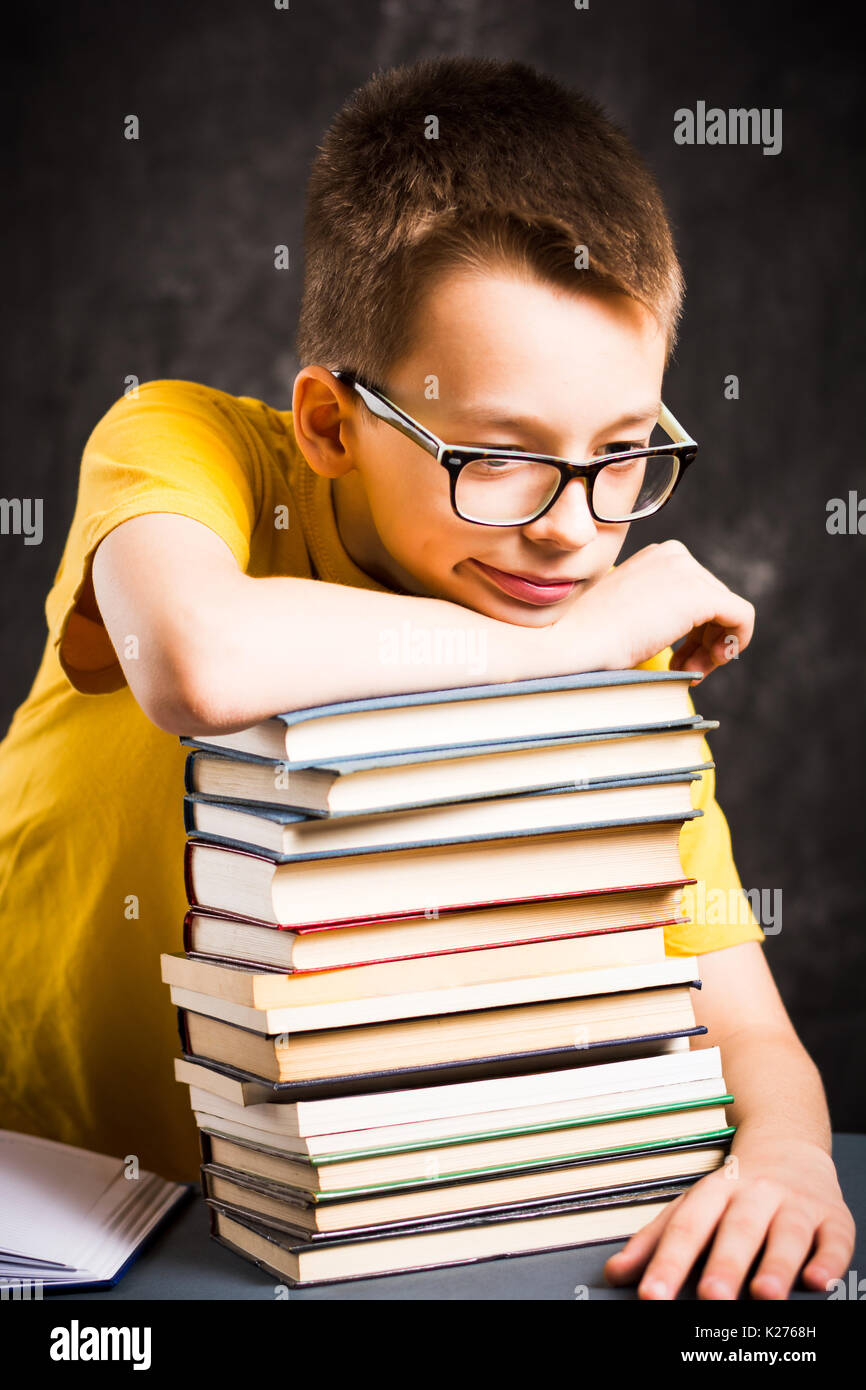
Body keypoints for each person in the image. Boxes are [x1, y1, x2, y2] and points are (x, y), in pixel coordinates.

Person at [0, 56, 853, 1299]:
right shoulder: (188, 450)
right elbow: (197, 659)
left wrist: (785, 1152)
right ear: (332, 424)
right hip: (66, 1205)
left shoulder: (602, 643)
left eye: (623, 454)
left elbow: (742, 1013)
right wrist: (561, 650)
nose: (573, 530)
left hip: (376, 1250)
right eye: (498, 457)